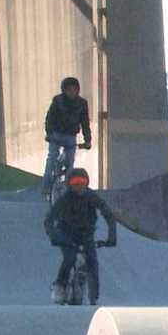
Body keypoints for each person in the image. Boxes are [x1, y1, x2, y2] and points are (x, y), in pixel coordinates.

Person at [44, 168, 117, 306]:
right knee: (69, 258)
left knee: (92, 263)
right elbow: (48, 220)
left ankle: (94, 297)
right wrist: (54, 236)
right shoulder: (64, 199)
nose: (79, 186)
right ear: (69, 185)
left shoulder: (91, 196)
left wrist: (112, 237)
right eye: (75, 183)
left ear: (87, 183)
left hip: (86, 235)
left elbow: (108, 214)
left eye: (83, 182)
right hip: (67, 235)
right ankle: (60, 286)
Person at [42, 77, 92, 197]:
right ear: (64, 90)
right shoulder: (58, 101)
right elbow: (50, 118)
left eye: (74, 90)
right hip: (56, 135)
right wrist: (49, 133)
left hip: (70, 136)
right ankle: (46, 186)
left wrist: (87, 140)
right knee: (52, 158)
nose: (72, 92)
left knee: (70, 162)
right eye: (69, 90)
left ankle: (70, 188)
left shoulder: (82, 104)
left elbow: (85, 122)